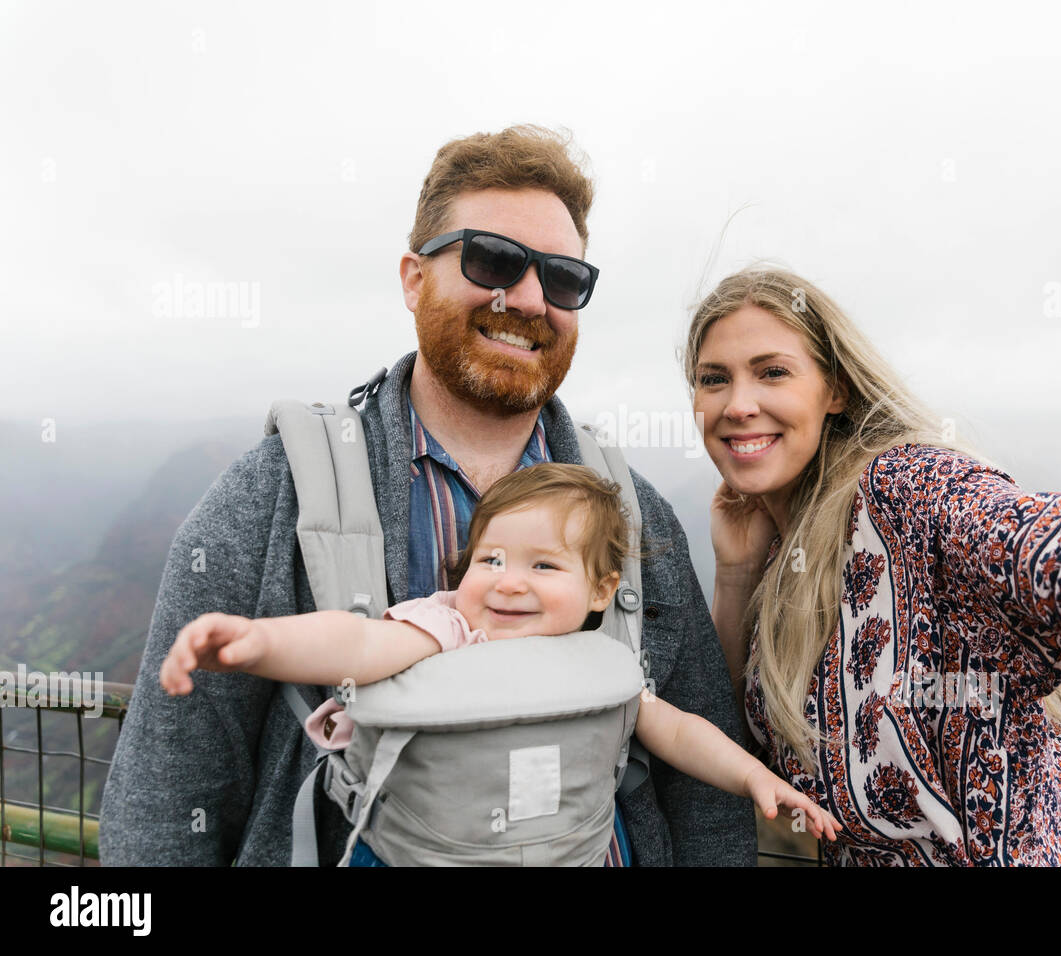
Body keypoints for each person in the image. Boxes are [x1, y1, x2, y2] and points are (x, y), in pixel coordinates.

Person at [99, 125, 758, 866]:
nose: (533, 299)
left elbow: (704, 802)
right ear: (414, 279)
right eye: (495, 260)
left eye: (564, 278)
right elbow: (169, 796)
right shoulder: (275, 493)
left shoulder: (636, 517)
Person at [689, 266, 1061, 866]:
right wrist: (737, 570)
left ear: (837, 389)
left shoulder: (904, 490)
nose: (739, 404)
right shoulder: (780, 557)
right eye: (714, 379)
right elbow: (739, 745)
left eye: (772, 372)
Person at [158, 464, 841, 865]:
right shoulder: (452, 628)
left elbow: (680, 732)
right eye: (491, 559)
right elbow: (358, 644)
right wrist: (260, 641)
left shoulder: (600, 663)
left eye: (544, 565)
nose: (509, 582)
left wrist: (755, 777)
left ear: (603, 590)